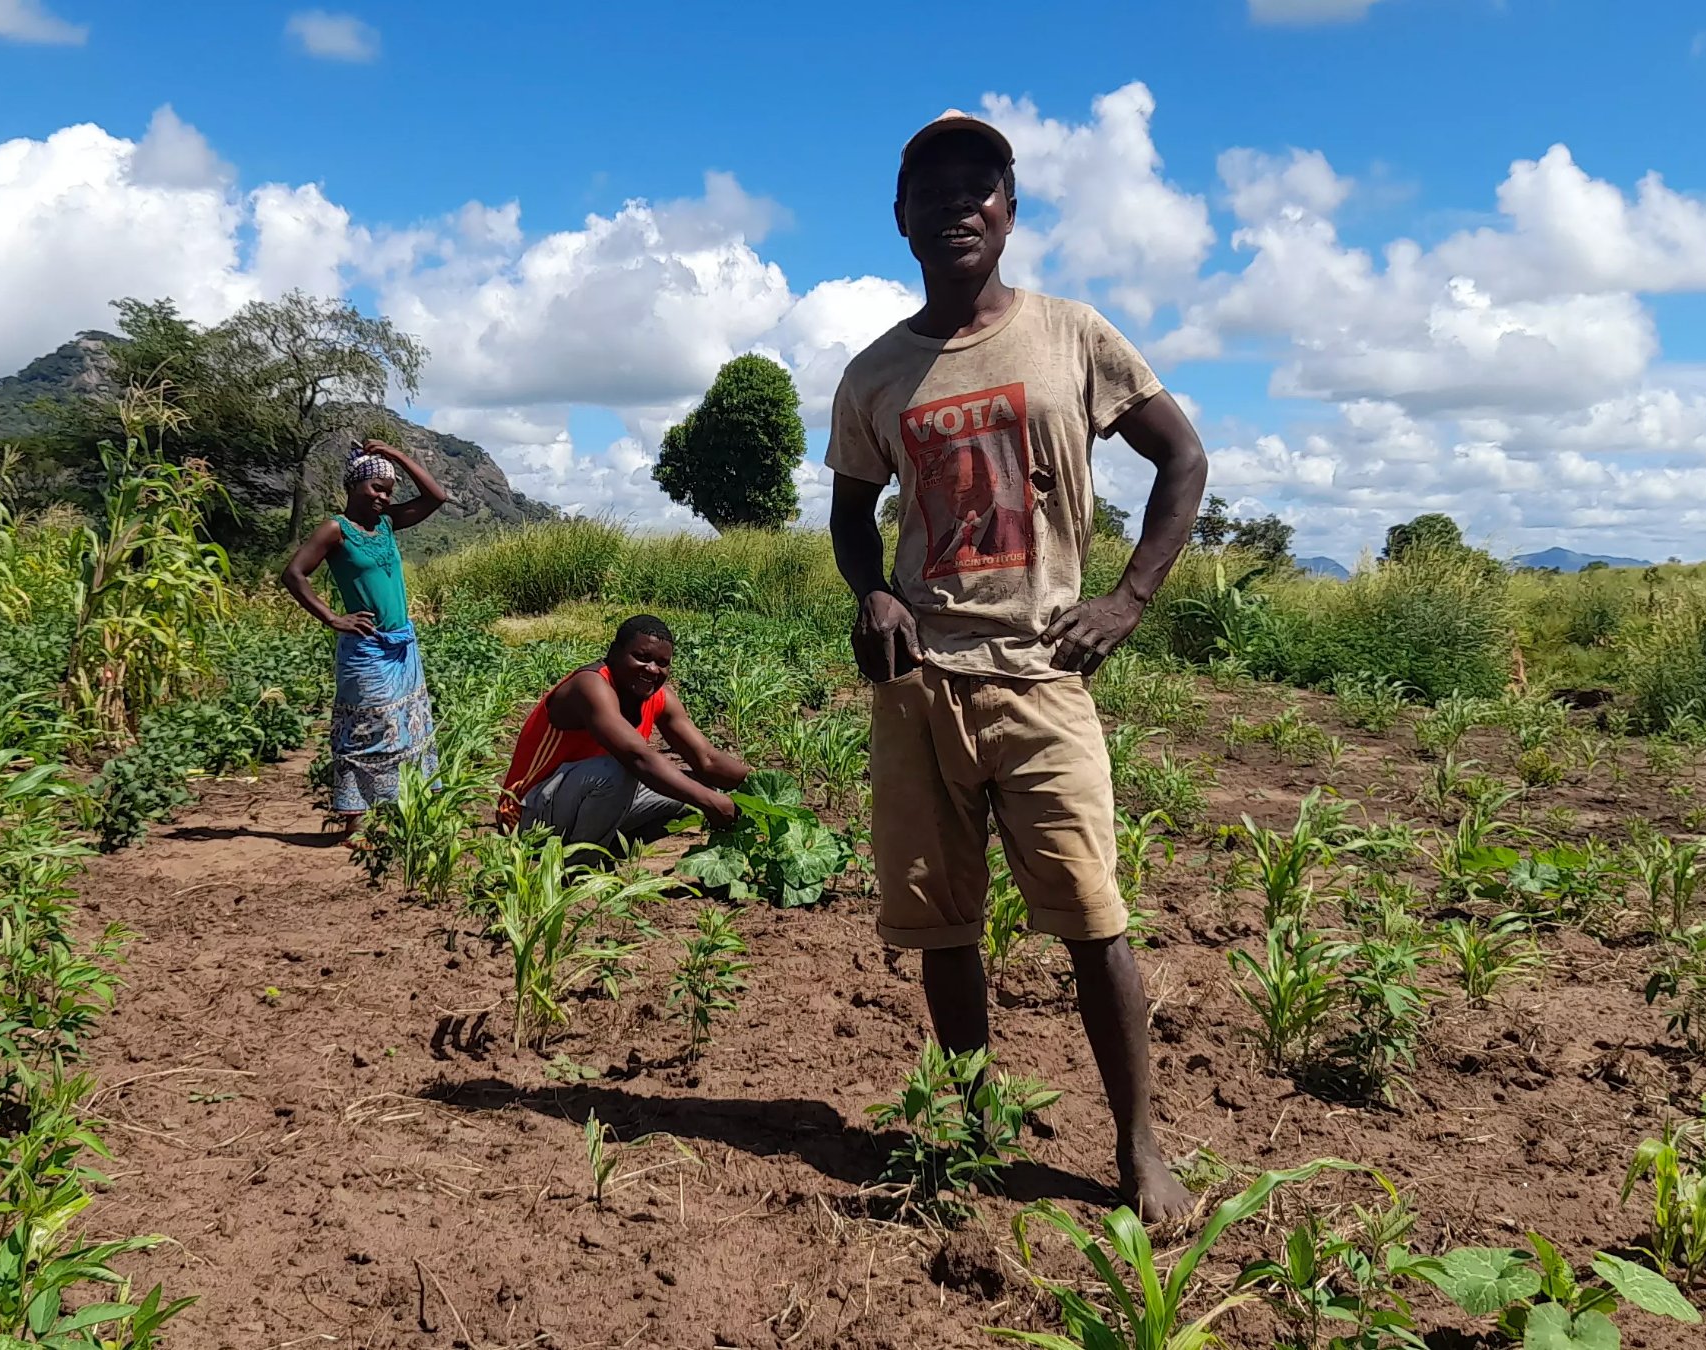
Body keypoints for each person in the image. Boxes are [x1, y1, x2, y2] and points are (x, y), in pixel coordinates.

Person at [823, 111, 1209, 1223]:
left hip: (1041, 678)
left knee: (1091, 915)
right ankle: (974, 1119)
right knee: (942, 924)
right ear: (900, 220)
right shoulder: (874, 374)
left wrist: (1127, 598)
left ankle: (1138, 1147)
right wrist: (873, 591)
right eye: (932, 192)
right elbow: (851, 515)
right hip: (922, 685)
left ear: (1009, 210)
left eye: (978, 188)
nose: (957, 205)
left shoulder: (1071, 335)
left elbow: (1181, 456)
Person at [281, 439, 453, 827]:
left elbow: (437, 497)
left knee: (405, 726)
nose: (382, 497)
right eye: (376, 487)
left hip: (402, 646)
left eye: (388, 491)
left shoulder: (387, 523)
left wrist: (396, 455)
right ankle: (355, 824)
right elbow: (294, 574)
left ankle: (395, 815)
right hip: (367, 649)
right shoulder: (336, 530)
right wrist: (333, 618)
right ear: (353, 485)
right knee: (366, 729)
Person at [498, 615, 752, 851]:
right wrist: (710, 802)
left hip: (581, 802)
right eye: (641, 657)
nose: (652, 669)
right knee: (623, 771)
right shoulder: (590, 685)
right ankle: (578, 867)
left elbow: (707, 760)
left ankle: (609, 849)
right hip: (527, 813)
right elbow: (636, 757)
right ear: (614, 652)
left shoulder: (660, 698)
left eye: (662, 663)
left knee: (698, 787)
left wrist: (762, 784)